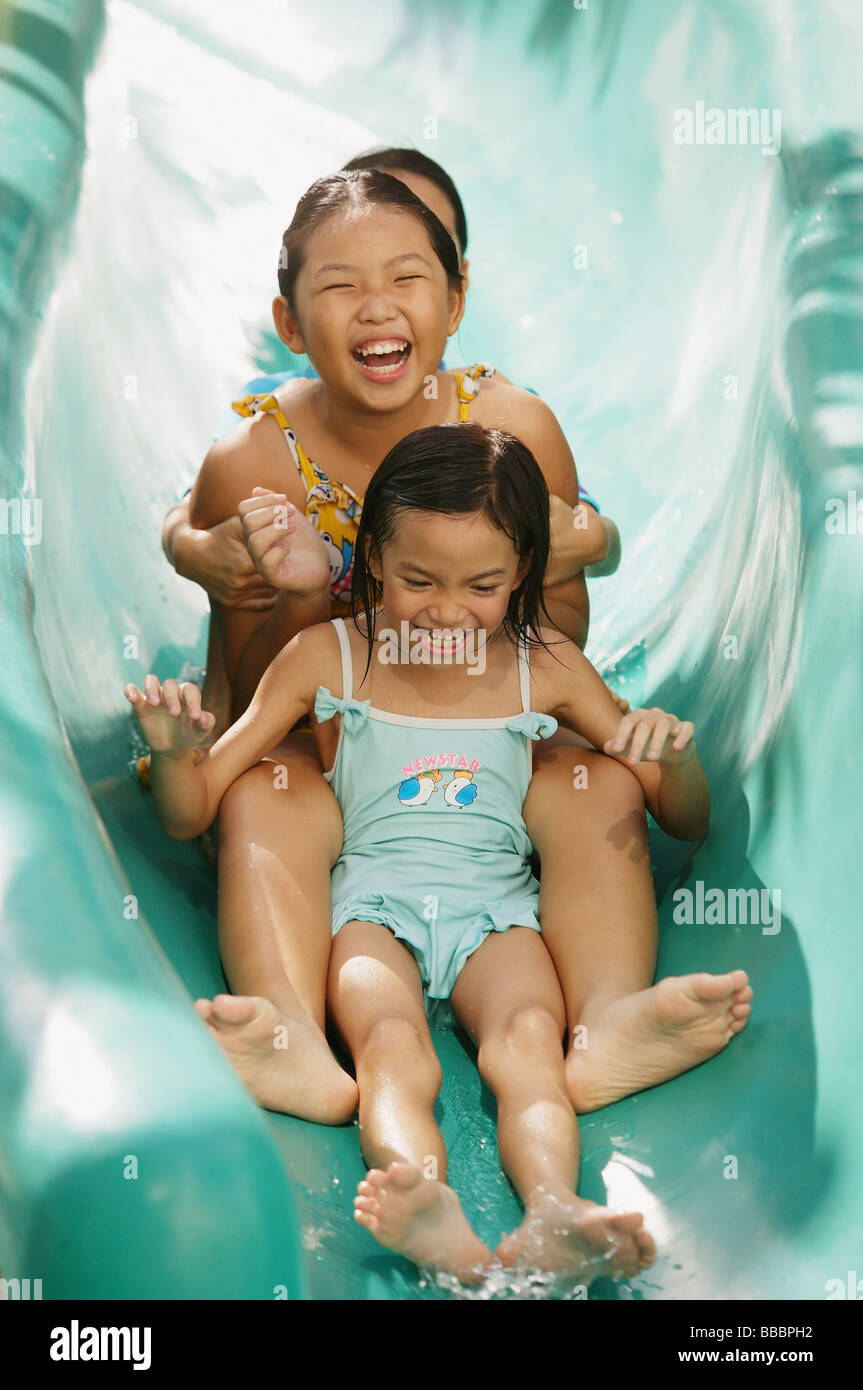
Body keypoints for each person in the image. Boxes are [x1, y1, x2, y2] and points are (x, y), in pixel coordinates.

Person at [125, 422, 751, 1284]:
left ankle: (553, 1211)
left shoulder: (546, 667)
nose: (448, 609)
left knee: (530, 1042)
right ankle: (426, 1208)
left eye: (483, 584)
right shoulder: (327, 655)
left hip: (500, 911)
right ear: (373, 560)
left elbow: (682, 821)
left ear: (523, 573)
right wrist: (170, 753)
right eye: (418, 579)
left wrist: (672, 762)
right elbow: (194, 810)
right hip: (370, 910)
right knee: (390, 1047)